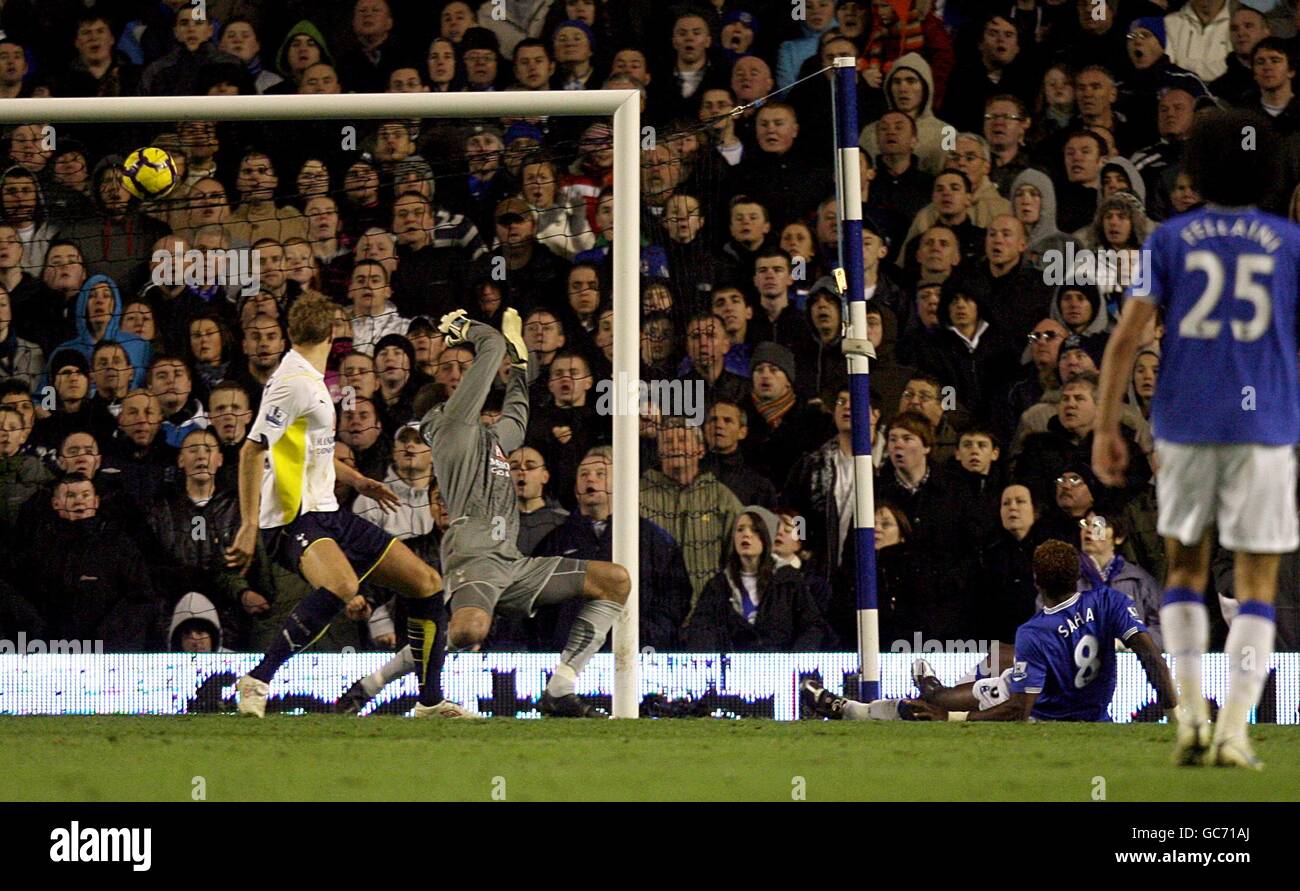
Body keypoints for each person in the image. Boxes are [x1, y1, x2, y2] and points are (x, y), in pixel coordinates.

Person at [1093, 109, 1299, 769]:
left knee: (1184, 570)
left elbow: (1126, 338)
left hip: (1185, 425)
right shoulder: (1289, 244)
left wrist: (1105, 425)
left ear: (1197, 171)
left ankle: (1188, 714)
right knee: (1257, 581)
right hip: (1264, 428)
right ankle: (1236, 727)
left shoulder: (1172, 239)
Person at [225, 294, 465, 720]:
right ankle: (257, 680)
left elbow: (309, 448)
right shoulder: (291, 383)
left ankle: (430, 702)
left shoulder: (313, 381)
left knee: (427, 583)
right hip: (292, 518)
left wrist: (357, 480)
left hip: (330, 513)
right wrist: (247, 525)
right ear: (335, 332)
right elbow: (251, 451)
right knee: (341, 587)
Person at [418, 309, 630, 717]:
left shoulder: (490, 441)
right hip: (475, 555)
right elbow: (491, 345)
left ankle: (560, 689)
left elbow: (517, 415)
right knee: (467, 631)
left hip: (511, 564)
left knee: (615, 581)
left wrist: (518, 369)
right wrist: (464, 328)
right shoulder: (450, 430)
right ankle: (386, 679)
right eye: (454, 384)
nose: (462, 385)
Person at [802, 540, 1176, 722]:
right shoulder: (1107, 601)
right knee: (998, 655)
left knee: (931, 710)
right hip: (1089, 708)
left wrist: (955, 722)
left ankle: (852, 710)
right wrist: (1174, 708)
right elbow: (1147, 650)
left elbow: (1018, 708)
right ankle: (936, 692)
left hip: (1044, 715)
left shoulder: (1036, 631)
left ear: (1035, 580)